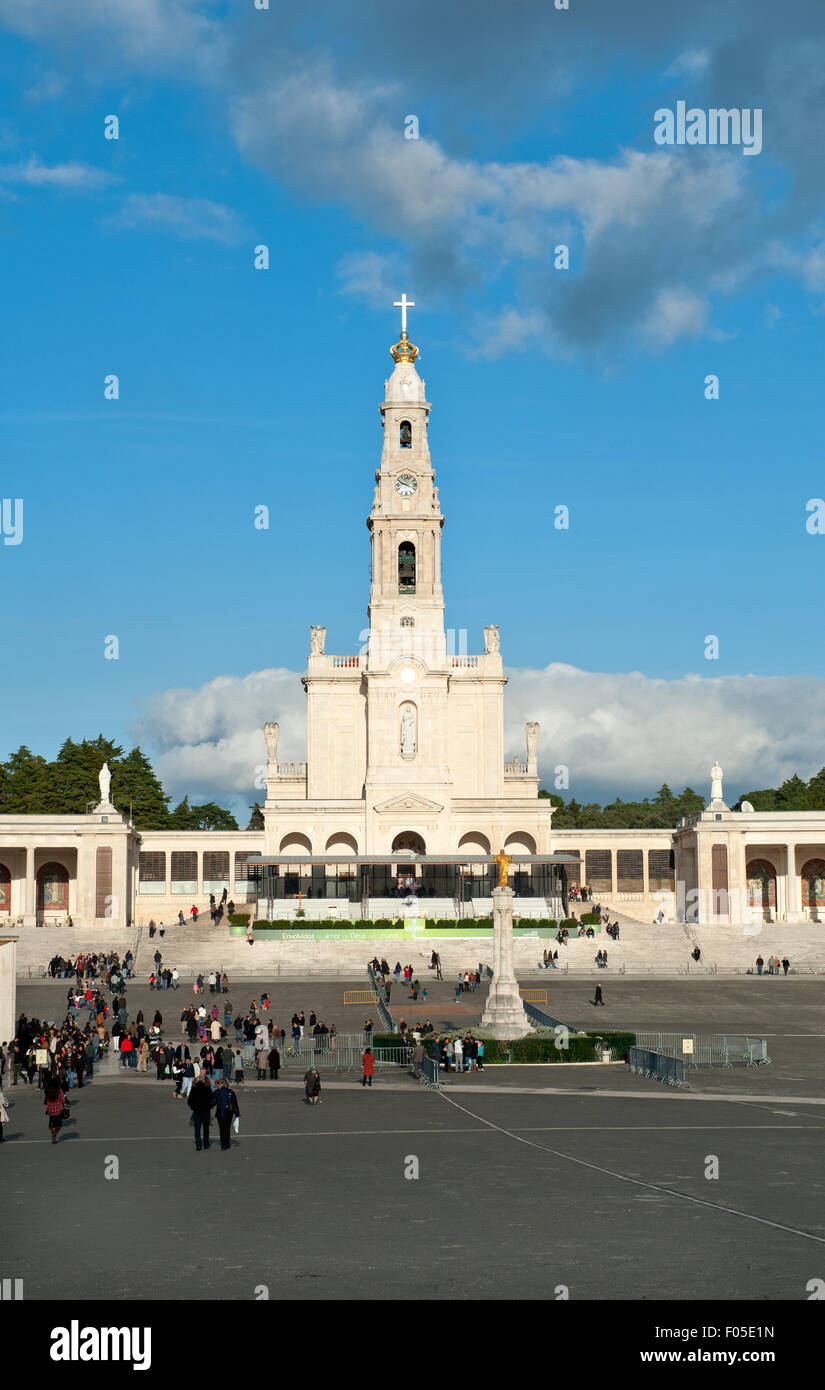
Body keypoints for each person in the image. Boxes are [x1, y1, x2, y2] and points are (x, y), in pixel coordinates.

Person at [187, 1071, 216, 1150]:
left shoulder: (194, 1089)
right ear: (203, 1081)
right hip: (206, 1111)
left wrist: (193, 1107)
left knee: (197, 1129)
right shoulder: (207, 1089)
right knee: (206, 1129)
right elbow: (213, 1099)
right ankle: (206, 1144)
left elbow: (189, 1101)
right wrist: (210, 1106)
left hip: (197, 1111)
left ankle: (198, 1145)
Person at [214, 1078, 241, 1151]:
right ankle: (227, 1143)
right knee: (227, 1128)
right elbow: (234, 1103)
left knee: (221, 1129)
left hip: (219, 1113)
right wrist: (237, 1114)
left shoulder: (217, 1092)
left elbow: (213, 1102)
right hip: (229, 1112)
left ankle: (223, 1144)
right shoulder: (231, 1092)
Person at [44, 1078, 66, 1144]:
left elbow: (46, 1100)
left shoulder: (47, 1090)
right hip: (58, 1109)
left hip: (50, 1109)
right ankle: (55, 1132)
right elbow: (63, 1100)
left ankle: (53, 1130)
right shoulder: (59, 1090)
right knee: (59, 1124)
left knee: (52, 1122)